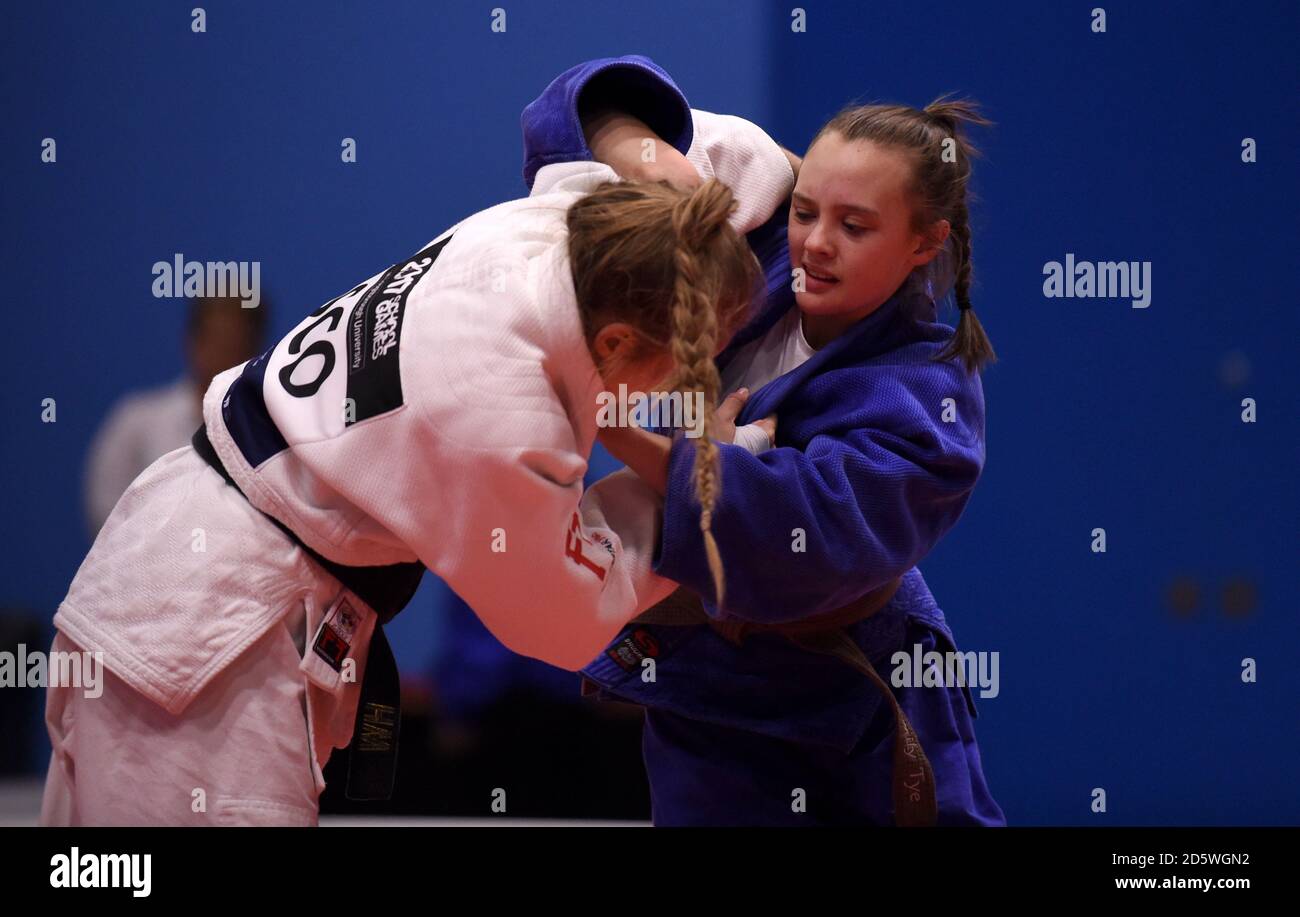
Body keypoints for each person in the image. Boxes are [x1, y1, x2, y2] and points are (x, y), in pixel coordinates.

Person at [40, 92, 795, 825]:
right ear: (618, 342)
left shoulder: (563, 221)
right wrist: (709, 479)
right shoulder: (498, 405)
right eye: (681, 363)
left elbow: (599, 122)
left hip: (172, 583)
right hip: (215, 640)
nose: (677, 388)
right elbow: (562, 619)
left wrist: (793, 175)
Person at [520, 54, 1005, 826]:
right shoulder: (759, 238)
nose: (816, 243)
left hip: (860, 691)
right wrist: (637, 155)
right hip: (706, 684)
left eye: (855, 226)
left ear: (925, 242)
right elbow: (570, 109)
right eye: (808, 210)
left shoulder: (930, 391)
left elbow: (805, 527)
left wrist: (638, 436)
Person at [84, 296, 267, 535]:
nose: (224, 355)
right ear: (193, 341)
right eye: (217, 340)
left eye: (236, 344)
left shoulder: (269, 431)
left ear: (255, 349)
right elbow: (105, 510)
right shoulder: (137, 421)